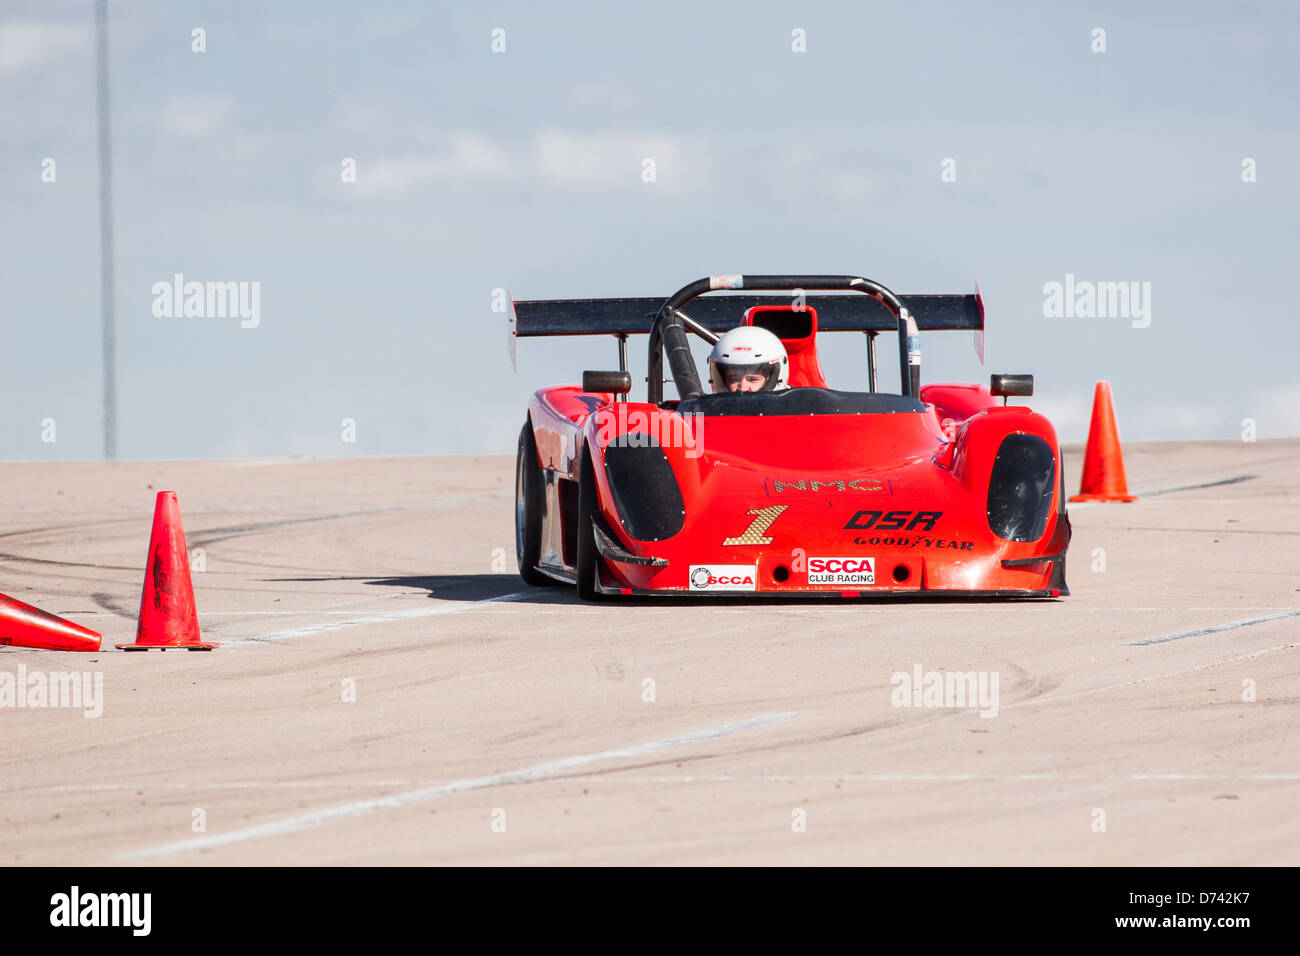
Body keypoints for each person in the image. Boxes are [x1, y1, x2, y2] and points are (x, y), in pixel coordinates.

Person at [707, 326, 790, 393]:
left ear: (772, 379)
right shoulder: (705, 408)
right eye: (733, 379)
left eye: (753, 379)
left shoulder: (793, 408)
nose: (743, 388)